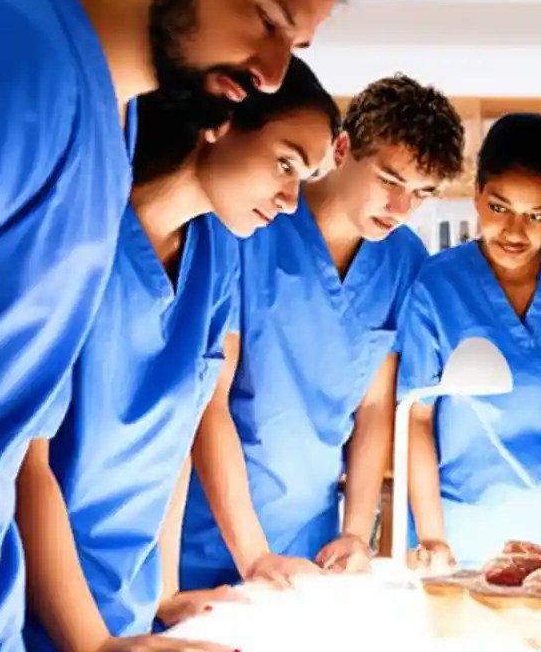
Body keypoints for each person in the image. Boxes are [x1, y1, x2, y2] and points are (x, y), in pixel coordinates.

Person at [0, 0, 362, 648]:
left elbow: (12, 430)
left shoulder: (111, 133)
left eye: (294, 45)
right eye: (267, 17)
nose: (272, 73)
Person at [17, 57, 341, 652]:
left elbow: (176, 441)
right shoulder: (81, 237)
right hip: (36, 608)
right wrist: (93, 644)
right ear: (221, 120)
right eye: (286, 163)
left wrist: (164, 596)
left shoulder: (215, 250)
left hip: (127, 606)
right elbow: (25, 469)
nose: (293, 200)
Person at [178, 74, 466, 590]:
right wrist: (253, 555)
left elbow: (375, 406)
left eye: (420, 195)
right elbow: (208, 403)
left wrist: (355, 532)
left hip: (311, 537)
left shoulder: (403, 262)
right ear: (342, 149)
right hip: (203, 532)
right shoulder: (252, 224)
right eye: (390, 180)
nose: (400, 210)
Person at [399, 113, 541, 569]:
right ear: (476, 193)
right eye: (499, 208)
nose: (516, 233)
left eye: (538, 216)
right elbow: (417, 419)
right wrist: (435, 536)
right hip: (453, 523)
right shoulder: (438, 286)